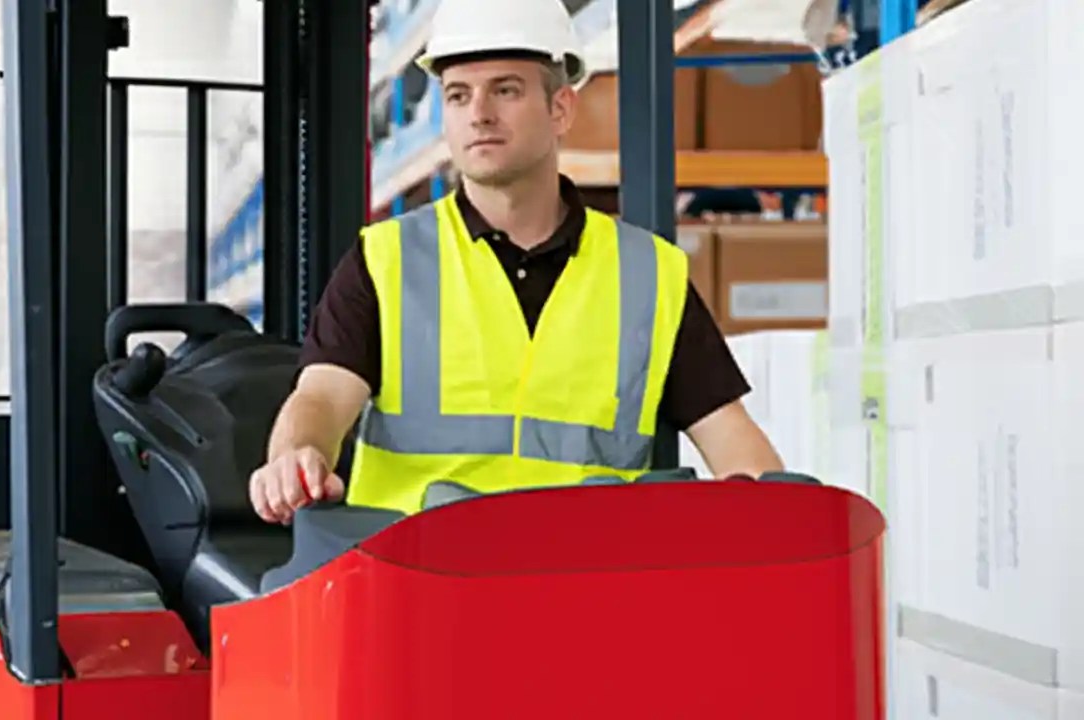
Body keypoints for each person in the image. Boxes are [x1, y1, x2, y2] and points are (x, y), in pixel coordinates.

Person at [249, 0, 783, 524]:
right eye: (458, 95)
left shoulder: (648, 274)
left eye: (505, 90)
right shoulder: (385, 259)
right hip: (416, 585)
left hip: (586, 584)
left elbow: (733, 441)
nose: (479, 113)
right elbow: (319, 396)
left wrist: (782, 519)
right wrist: (296, 456)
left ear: (561, 109)